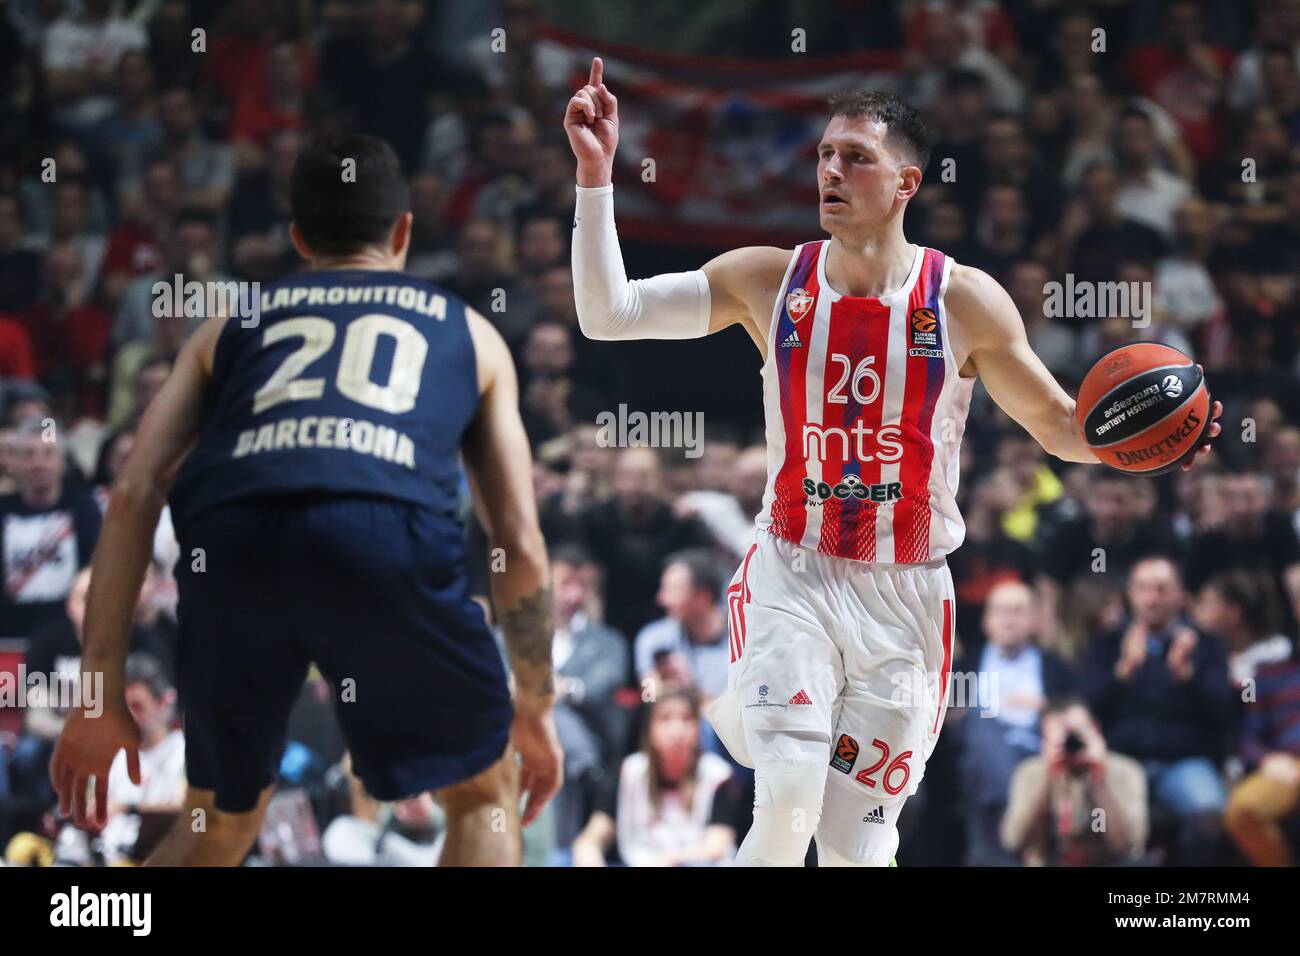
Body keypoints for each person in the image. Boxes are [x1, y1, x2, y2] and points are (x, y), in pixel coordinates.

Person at [564, 59, 1220, 867]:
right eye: (824, 156)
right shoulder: (770, 281)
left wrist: (1155, 444)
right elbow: (608, 314)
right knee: (791, 797)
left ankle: (762, 717)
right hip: (794, 571)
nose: (831, 171)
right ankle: (766, 711)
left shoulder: (964, 300)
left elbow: (1060, 426)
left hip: (906, 597)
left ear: (907, 181)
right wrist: (597, 178)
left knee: (858, 852)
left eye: (856, 157)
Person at [50, 133, 562, 867]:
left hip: (231, 542)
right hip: (382, 532)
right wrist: (537, 708)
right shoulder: (470, 332)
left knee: (217, 822)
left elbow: (132, 494)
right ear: (405, 231)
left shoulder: (225, 327)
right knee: (482, 792)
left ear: (298, 238)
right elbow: (517, 533)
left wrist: (97, 696)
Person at [570, 688, 739, 867]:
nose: (677, 731)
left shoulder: (718, 775)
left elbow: (717, 845)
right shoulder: (628, 772)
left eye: (686, 719)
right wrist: (588, 853)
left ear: (699, 728)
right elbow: (591, 839)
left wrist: (669, 859)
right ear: (649, 728)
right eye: (665, 719)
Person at [1000, 697, 1147, 866]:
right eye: (1059, 736)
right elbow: (1015, 841)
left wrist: (1099, 782)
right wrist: (1048, 778)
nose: (1069, 743)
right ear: (1044, 739)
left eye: (1075, 734)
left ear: (1095, 731)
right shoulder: (1031, 773)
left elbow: (1128, 846)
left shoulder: (1124, 772)